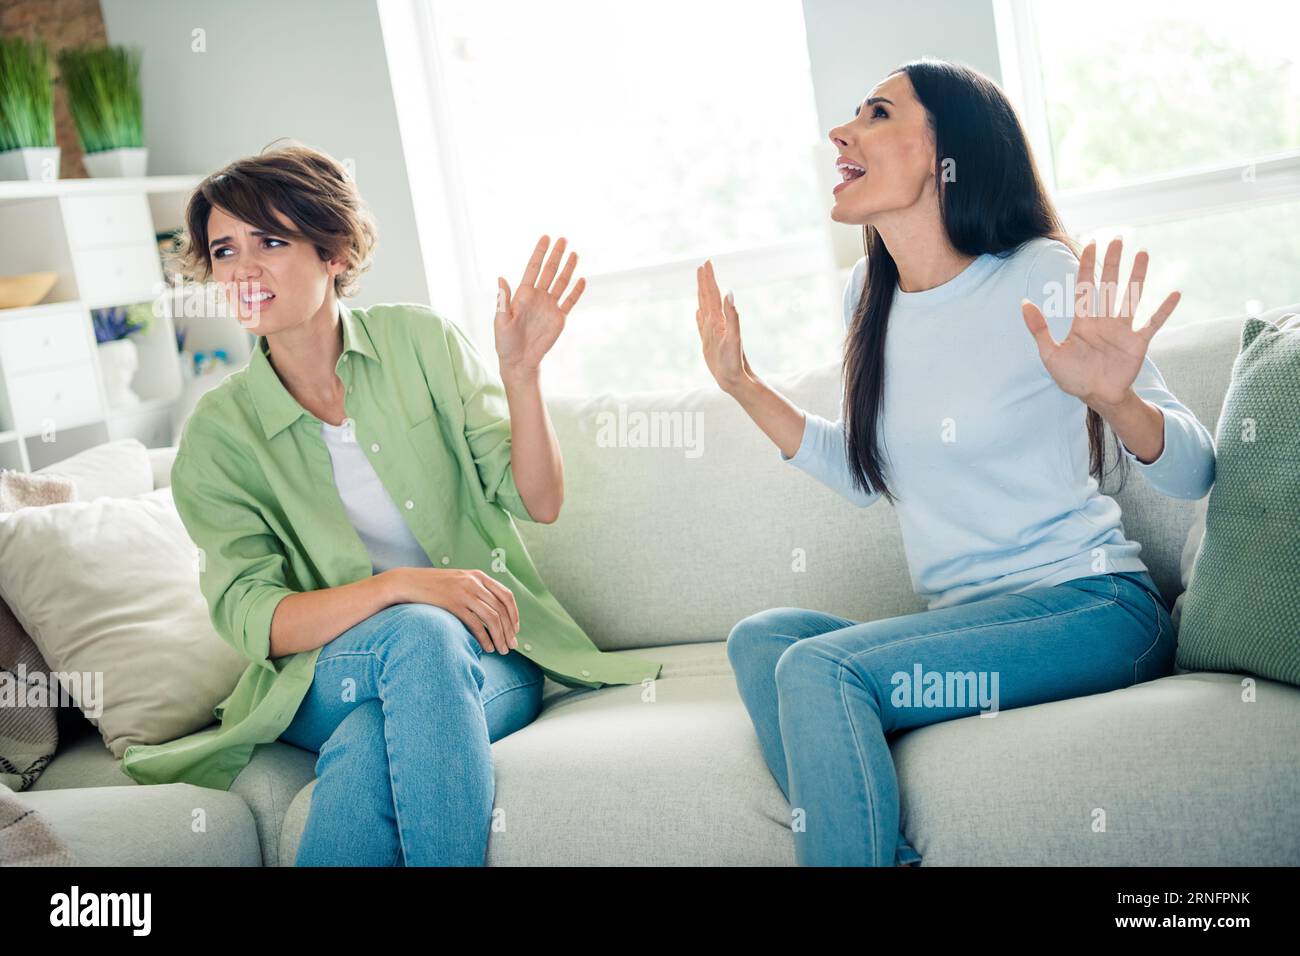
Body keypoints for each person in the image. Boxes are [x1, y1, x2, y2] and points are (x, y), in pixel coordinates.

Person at [694, 59, 1213, 866]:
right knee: (765, 640)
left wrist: (1118, 402)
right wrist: (742, 386)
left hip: (1093, 609)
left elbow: (1196, 473)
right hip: (967, 624)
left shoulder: (1041, 273)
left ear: (949, 155)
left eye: (876, 113)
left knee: (823, 670)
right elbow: (869, 474)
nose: (842, 132)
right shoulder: (868, 300)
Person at [119, 142, 662, 866]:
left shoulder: (422, 343)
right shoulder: (219, 436)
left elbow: (540, 498)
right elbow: (255, 617)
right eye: (224, 251)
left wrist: (522, 374)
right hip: (325, 676)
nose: (243, 269)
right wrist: (403, 587)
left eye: (270, 241)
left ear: (333, 252)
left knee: (374, 735)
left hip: (489, 653)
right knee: (417, 632)